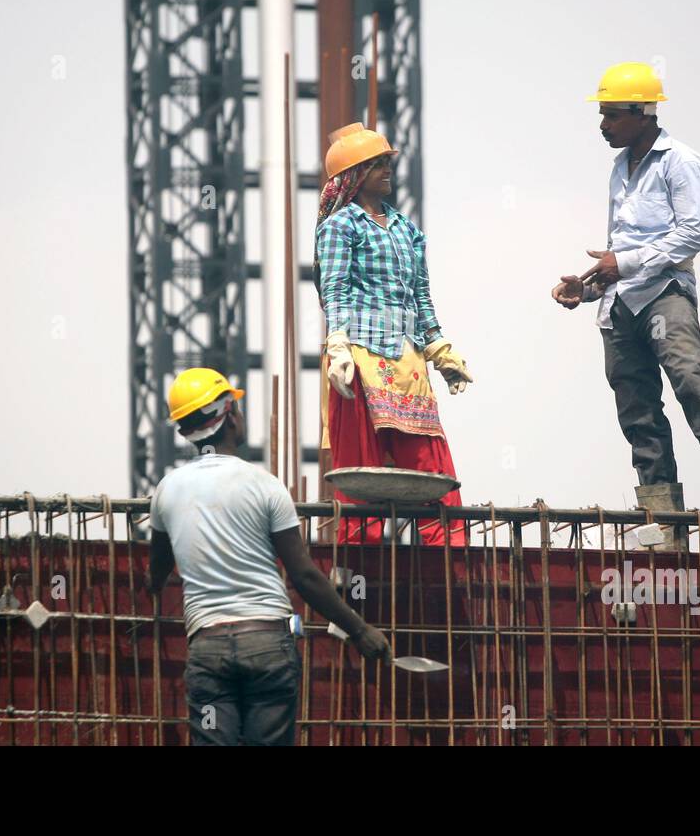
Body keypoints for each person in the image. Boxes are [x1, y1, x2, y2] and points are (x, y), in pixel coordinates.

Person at [551, 62, 700, 549]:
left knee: (690, 378)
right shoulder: (619, 169)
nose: (602, 125)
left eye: (611, 115)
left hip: (664, 295)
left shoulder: (680, 162)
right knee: (639, 413)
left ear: (642, 114)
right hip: (621, 304)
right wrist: (587, 289)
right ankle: (664, 524)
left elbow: (692, 235)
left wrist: (621, 265)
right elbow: (619, 248)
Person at [146, 367, 390, 746]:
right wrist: (359, 630)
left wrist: (153, 585)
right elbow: (304, 575)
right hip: (266, 646)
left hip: (208, 649)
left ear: (185, 431)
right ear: (229, 416)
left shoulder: (166, 491)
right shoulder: (264, 486)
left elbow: (157, 570)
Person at [314, 122, 471, 545]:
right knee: (359, 468)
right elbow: (336, 288)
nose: (387, 171)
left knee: (430, 462)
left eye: (387, 163)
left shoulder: (405, 229)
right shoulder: (341, 226)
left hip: (407, 359)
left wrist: (438, 346)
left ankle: (447, 550)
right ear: (354, 176)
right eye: (377, 165)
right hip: (359, 359)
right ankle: (359, 556)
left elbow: (421, 294)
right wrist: (338, 344)